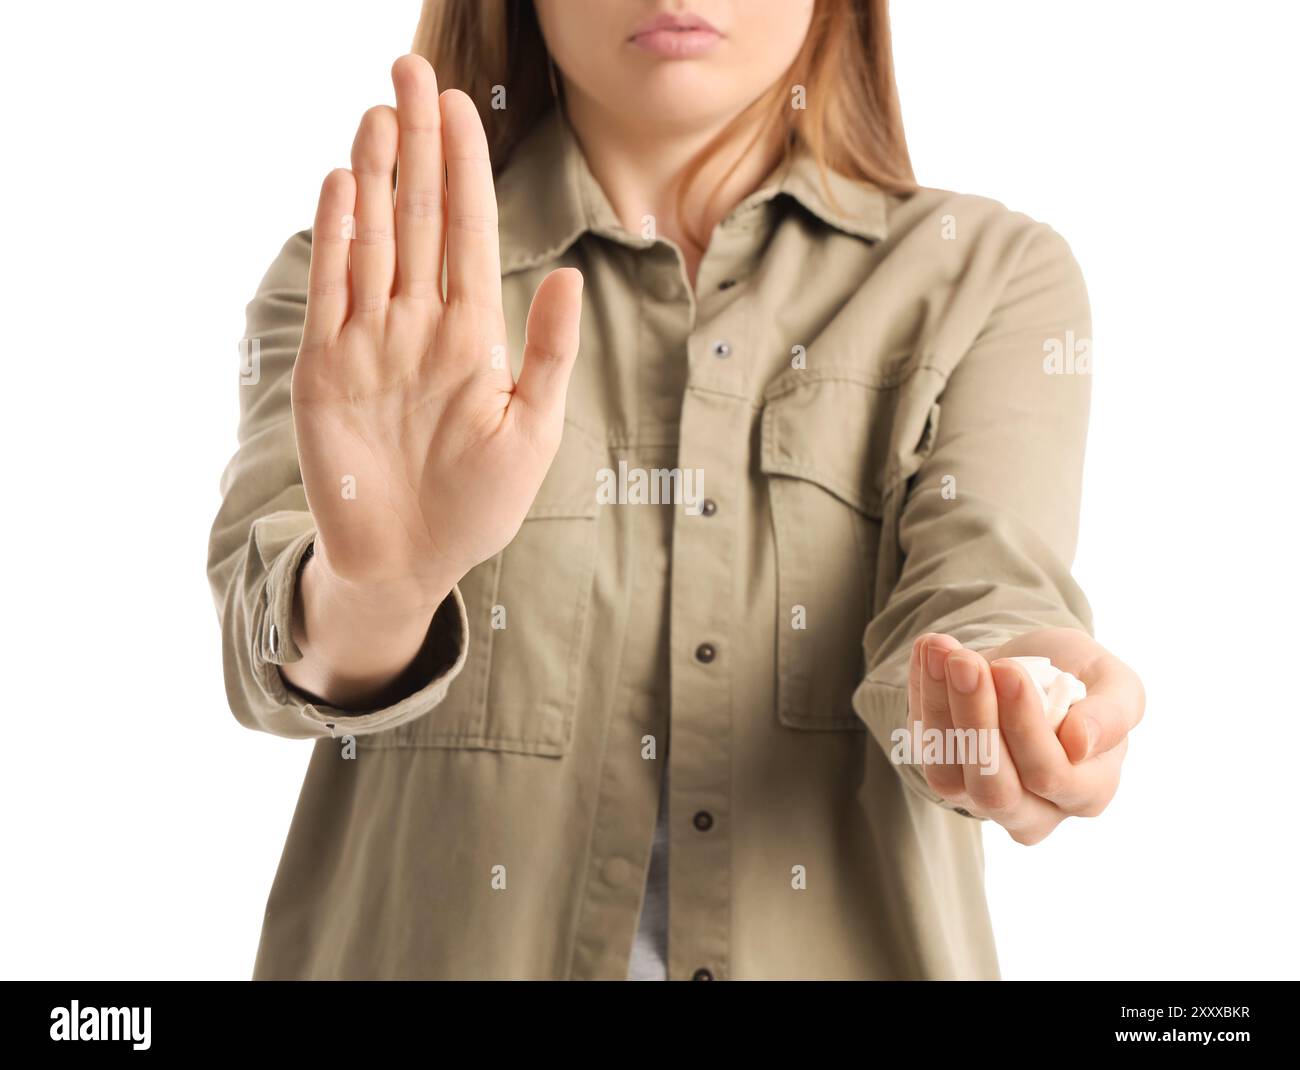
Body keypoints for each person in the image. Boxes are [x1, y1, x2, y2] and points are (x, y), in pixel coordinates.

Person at [208, 0, 1144, 980]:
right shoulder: (369, 285)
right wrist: (381, 588)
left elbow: (984, 589)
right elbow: (261, 651)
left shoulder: (987, 277)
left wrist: (1011, 694)